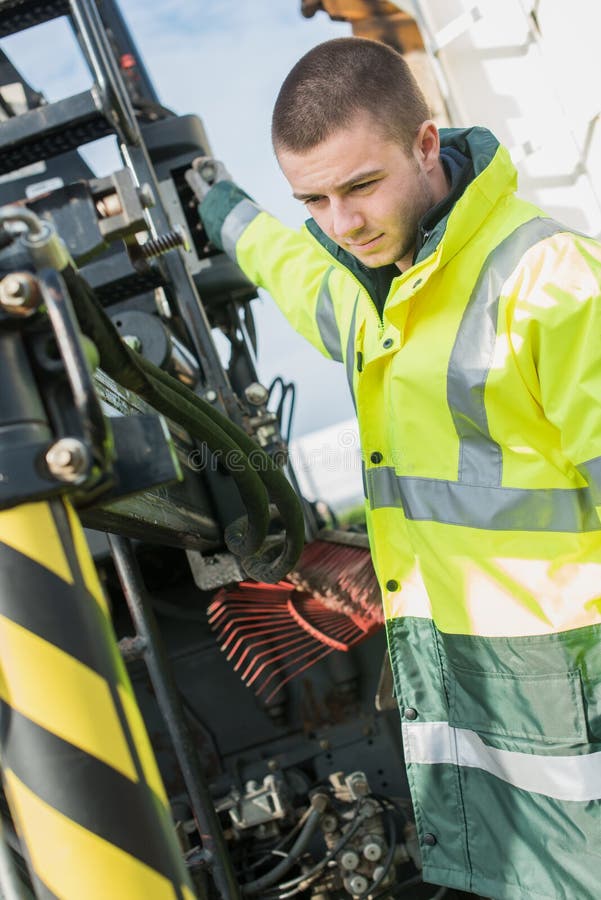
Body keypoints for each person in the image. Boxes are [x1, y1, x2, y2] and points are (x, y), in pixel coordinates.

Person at [186, 37, 601, 900]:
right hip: (485, 710)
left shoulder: (549, 284)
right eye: (315, 199)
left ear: (424, 143)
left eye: (361, 187)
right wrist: (215, 199)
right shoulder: (373, 297)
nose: (342, 223)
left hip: (572, 703)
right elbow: (295, 268)